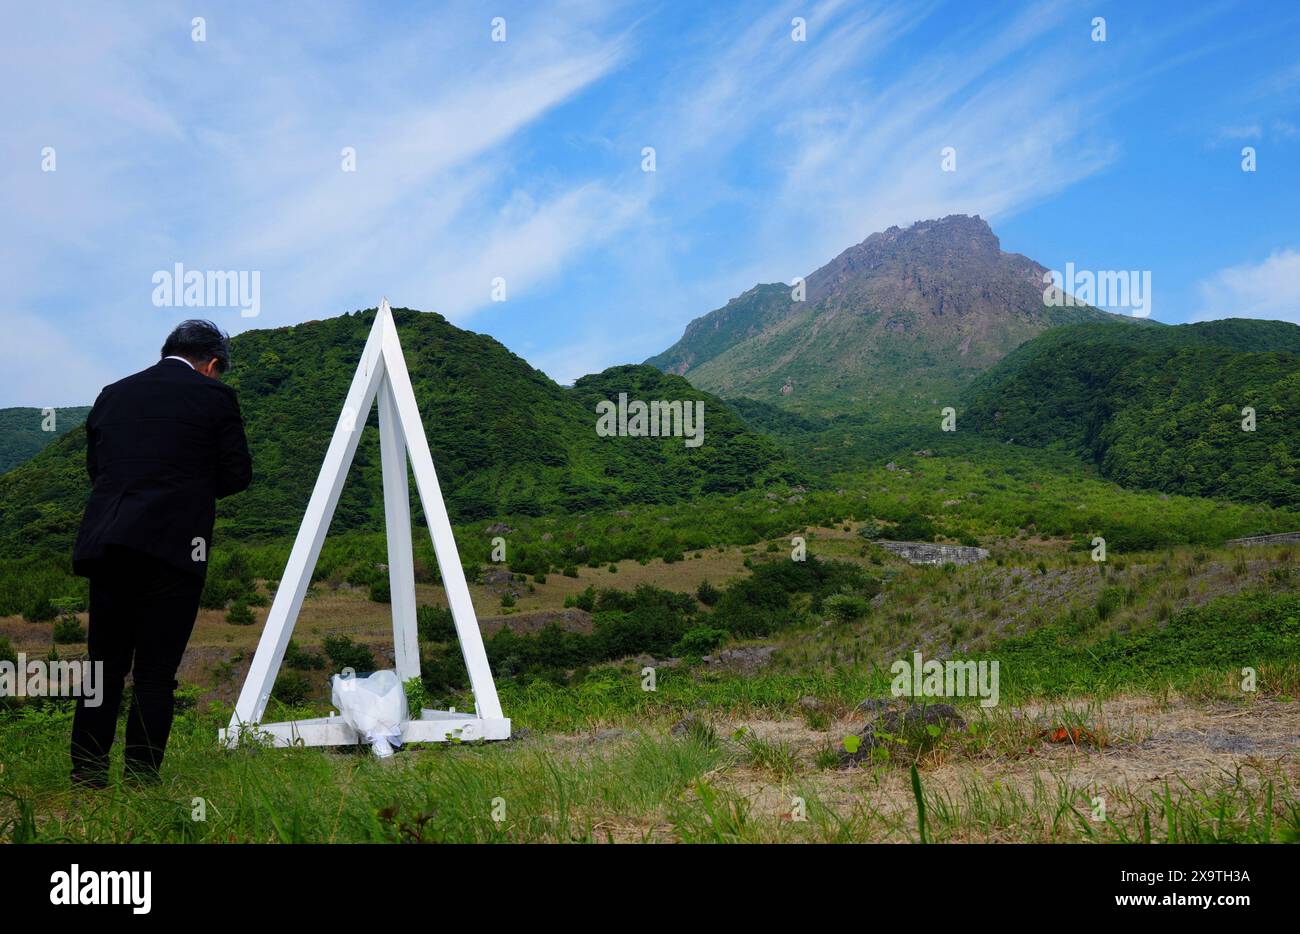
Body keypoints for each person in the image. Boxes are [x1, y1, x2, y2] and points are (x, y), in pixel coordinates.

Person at [69, 319, 252, 787]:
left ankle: (87, 777)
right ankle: (140, 780)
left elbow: (98, 470)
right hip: (174, 547)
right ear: (212, 365)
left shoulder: (113, 393)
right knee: (154, 672)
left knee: (102, 668)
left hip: (109, 543)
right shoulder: (215, 398)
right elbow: (236, 477)